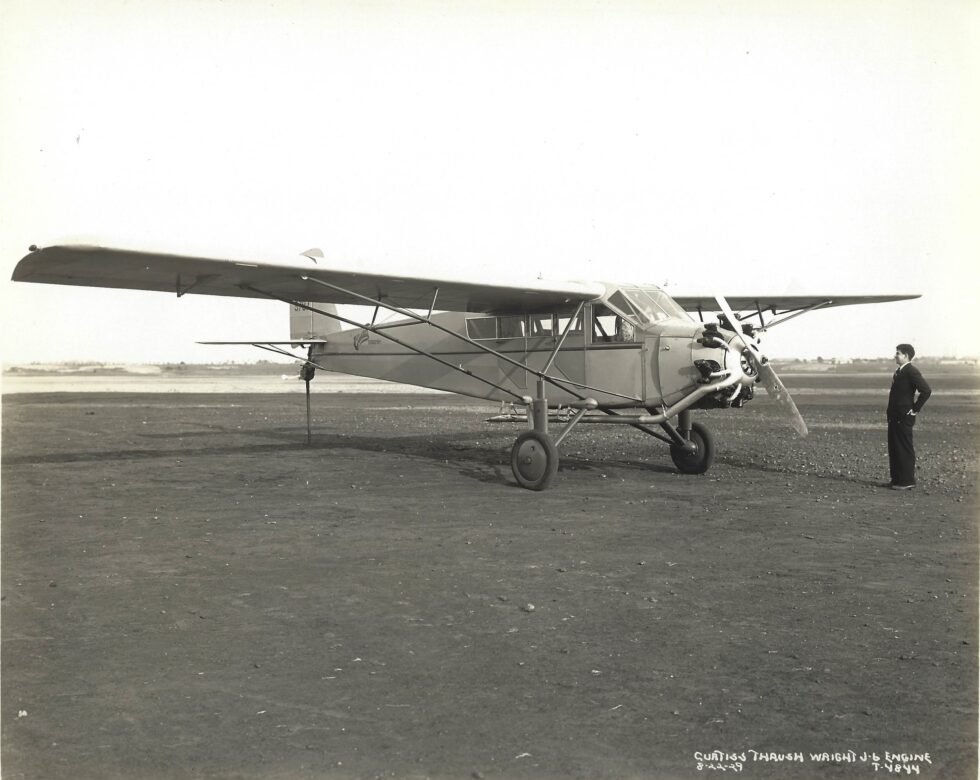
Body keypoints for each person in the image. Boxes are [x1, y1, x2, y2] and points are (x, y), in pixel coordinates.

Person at [886, 343, 931, 490]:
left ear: (906, 356)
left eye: (898, 353)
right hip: (894, 416)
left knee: (904, 448)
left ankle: (906, 481)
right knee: (894, 448)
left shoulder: (911, 371)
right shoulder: (899, 371)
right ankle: (897, 480)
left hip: (904, 417)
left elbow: (926, 391)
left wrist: (914, 410)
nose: (895, 356)